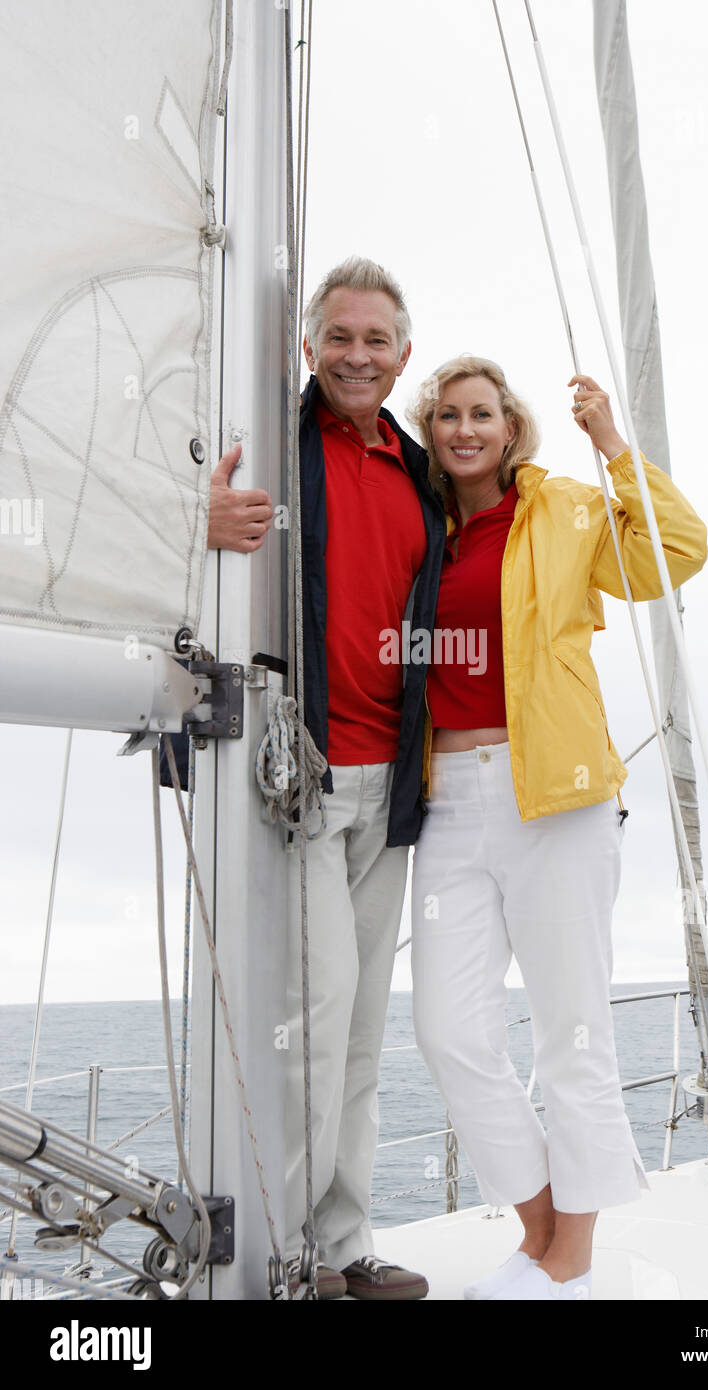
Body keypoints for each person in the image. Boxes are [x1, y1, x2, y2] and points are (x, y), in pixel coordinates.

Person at [406, 355, 708, 1301]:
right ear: (432, 430)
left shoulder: (568, 510)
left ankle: (568, 1256)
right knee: (450, 1031)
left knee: (573, 1033)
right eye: (448, 414)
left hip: (561, 796)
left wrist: (613, 443)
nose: (465, 429)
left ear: (511, 428)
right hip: (446, 799)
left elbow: (675, 555)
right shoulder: (423, 531)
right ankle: (538, 1228)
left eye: (483, 414)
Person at [207, 257, 446, 1300]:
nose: (356, 355)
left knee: (356, 1035)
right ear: (309, 349)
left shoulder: (419, 469)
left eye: (375, 340)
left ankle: (343, 1245)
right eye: (337, 337)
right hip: (294, 779)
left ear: (402, 353)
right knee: (317, 1012)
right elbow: (166, 507)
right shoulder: (269, 435)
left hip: (390, 789)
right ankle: (282, 1253)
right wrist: (197, 526)